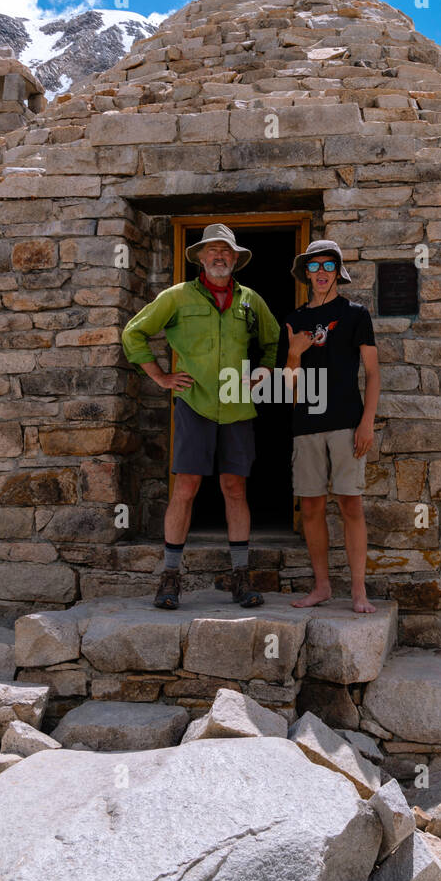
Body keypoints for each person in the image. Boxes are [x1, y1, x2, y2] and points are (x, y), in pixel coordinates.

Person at [121, 223, 280, 610]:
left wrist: (264, 371)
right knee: (186, 487)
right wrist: (159, 376)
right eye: (212, 251)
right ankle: (170, 578)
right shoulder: (177, 297)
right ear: (201, 258)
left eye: (226, 251)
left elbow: (274, 340)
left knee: (234, 488)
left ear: (236, 259)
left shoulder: (250, 301)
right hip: (194, 403)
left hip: (237, 403)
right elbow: (133, 332)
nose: (219, 257)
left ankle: (240, 578)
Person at [276, 239, 380, 614]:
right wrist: (293, 354)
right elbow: (285, 388)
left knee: (351, 504)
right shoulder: (293, 321)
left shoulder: (355, 314)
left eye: (327, 266)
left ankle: (358, 592)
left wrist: (366, 422)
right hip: (305, 425)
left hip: (346, 424)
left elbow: (372, 373)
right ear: (306, 273)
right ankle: (321, 587)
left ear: (338, 271)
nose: (320, 273)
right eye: (314, 267)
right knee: (311, 508)